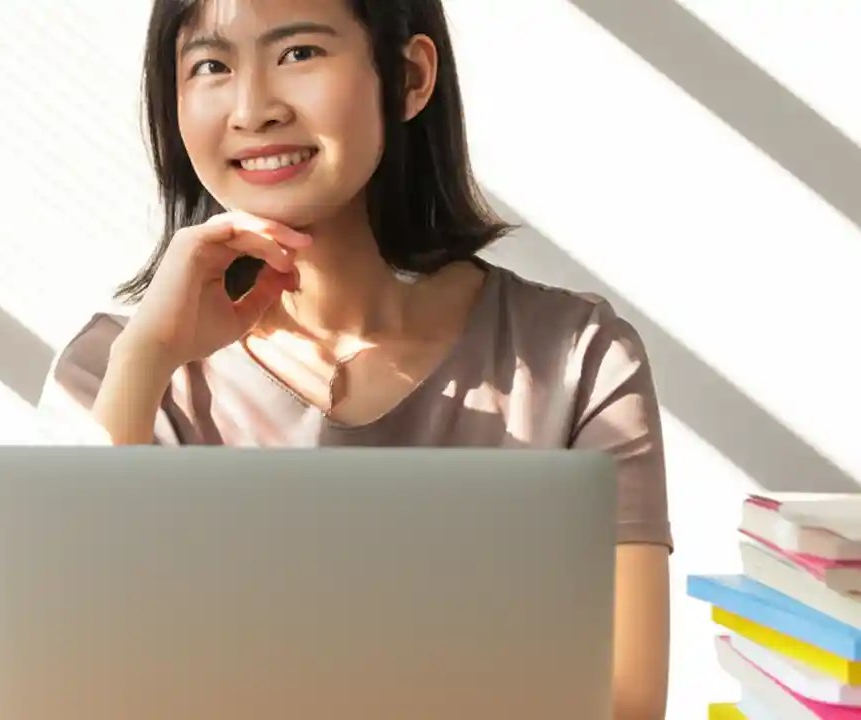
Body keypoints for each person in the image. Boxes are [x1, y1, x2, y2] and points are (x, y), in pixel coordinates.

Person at [40, 0, 672, 717]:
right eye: (211, 65)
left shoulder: (575, 359)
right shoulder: (113, 370)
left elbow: (626, 703)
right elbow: (42, 689)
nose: (252, 110)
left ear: (408, 76)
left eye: (299, 53)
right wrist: (147, 360)